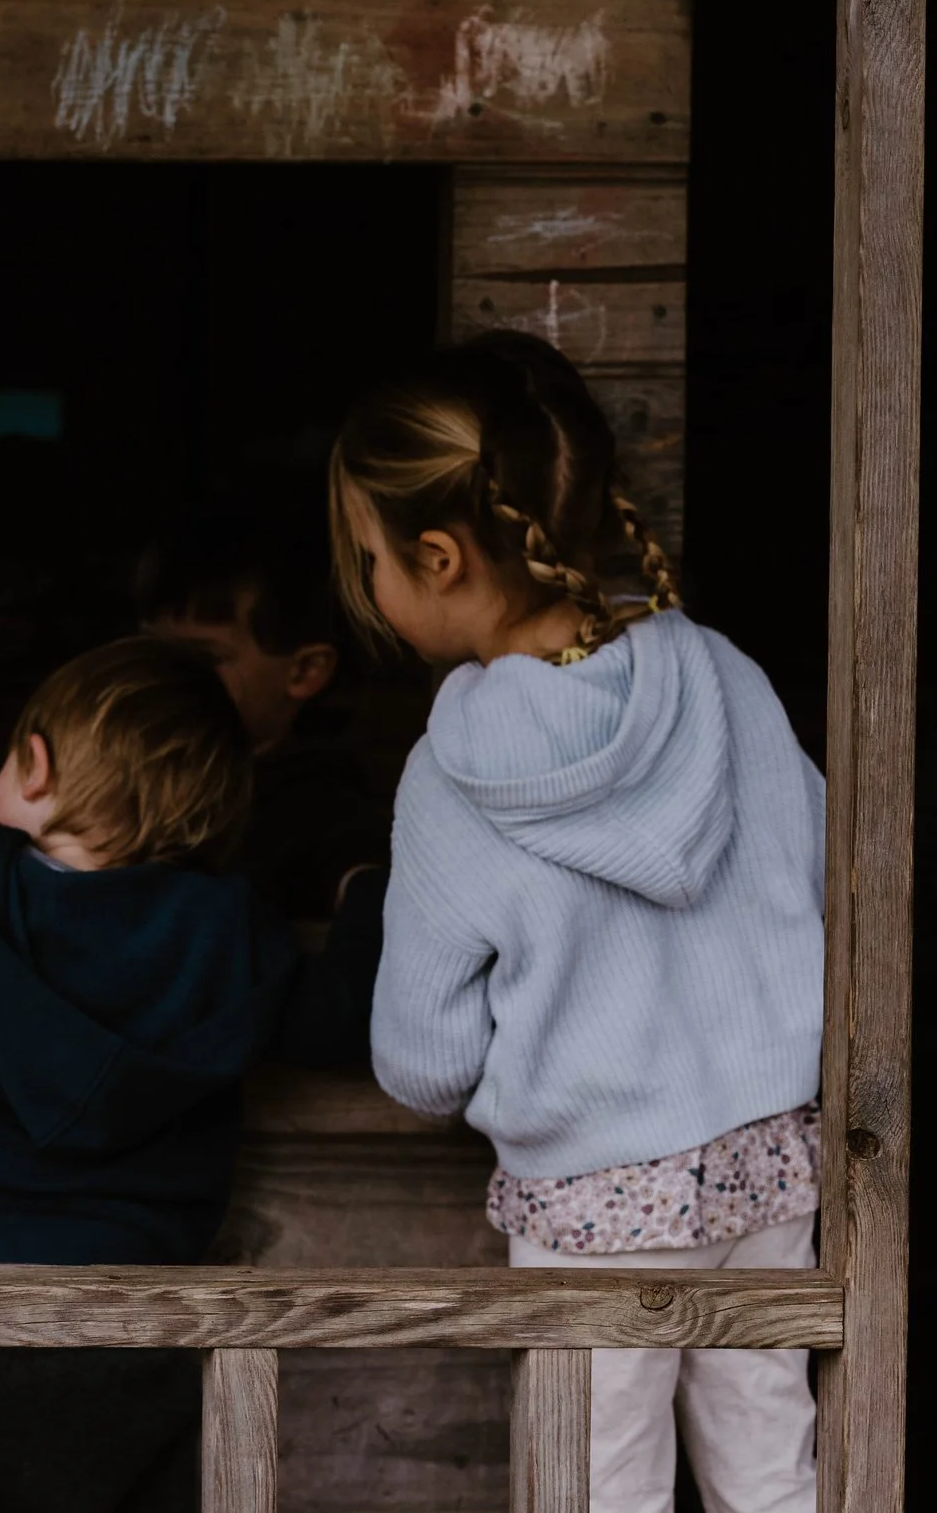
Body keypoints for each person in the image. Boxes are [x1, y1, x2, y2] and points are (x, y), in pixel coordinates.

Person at [332, 330, 823, 1513]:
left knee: (594, 1488)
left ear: (440, 557)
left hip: (592, 1200)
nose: (367, 580)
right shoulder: (722, 674)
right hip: (768, 1167)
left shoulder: (451, 777)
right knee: (774, 1474)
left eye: (368, 556)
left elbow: (422, 1061)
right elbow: (821, 876)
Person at [0, 636, 380, 1513]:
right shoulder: (228, 935)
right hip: (123, 1346)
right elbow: (350, 1011)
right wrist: (364, 884)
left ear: (35, 764)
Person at [137, 500, 393, 920]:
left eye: (202, 659)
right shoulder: (119, 771)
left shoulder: (326, 813)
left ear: (305, 671)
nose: (163, 679)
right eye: (149, 654)